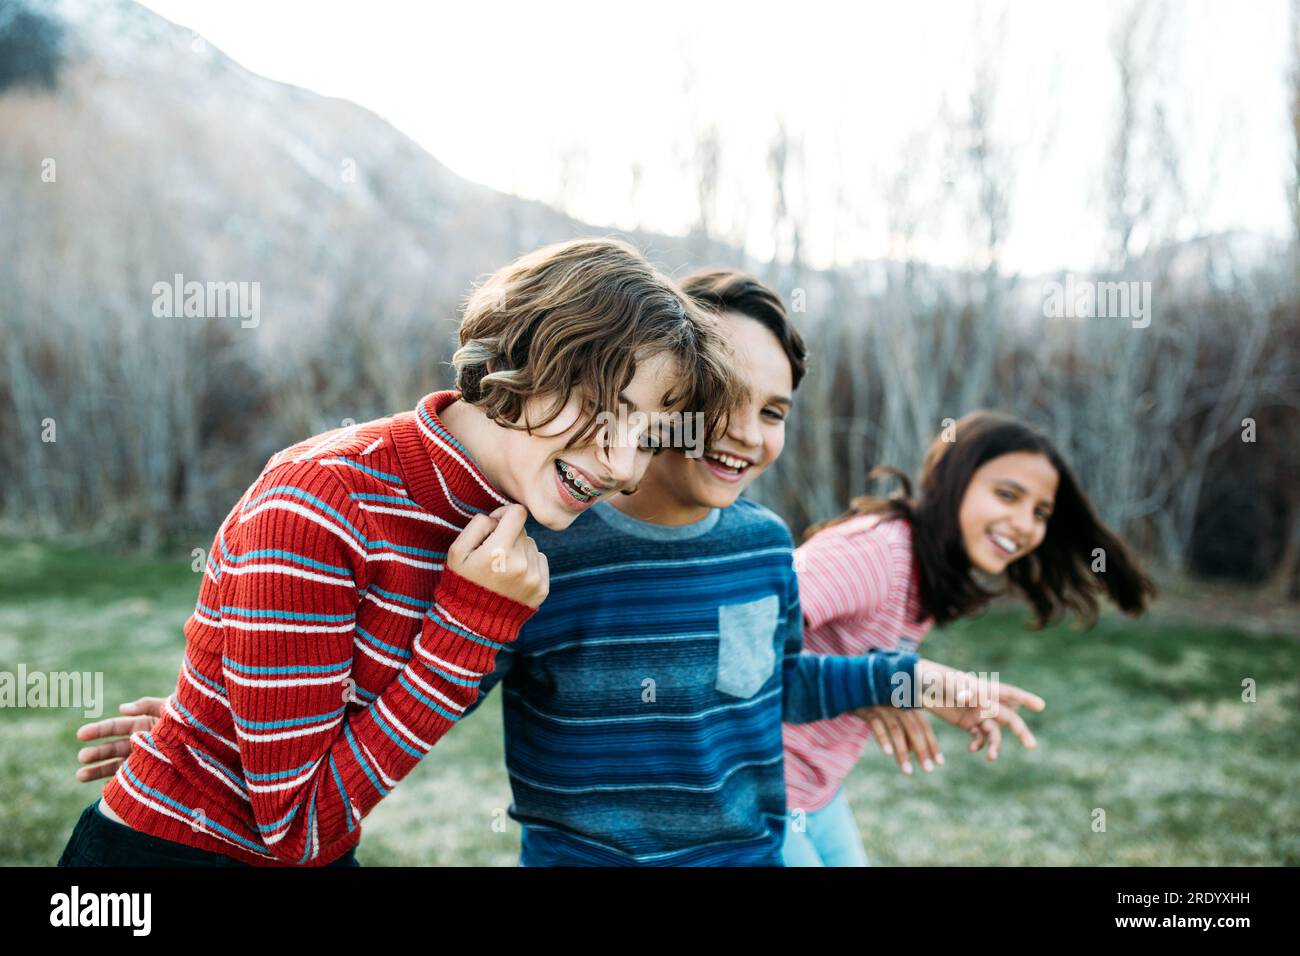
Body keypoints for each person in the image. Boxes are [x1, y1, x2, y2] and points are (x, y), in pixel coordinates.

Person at [58, 237, 740, 866]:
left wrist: (231, 718)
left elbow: (365, 728)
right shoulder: (321, 502)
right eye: (607, 412)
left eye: (648, 435)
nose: (625, 465)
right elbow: (296, 829)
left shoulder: (514, 521)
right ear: (522, 360)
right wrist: (468, 628)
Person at [781, 411, 1156, 866]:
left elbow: (837, 667)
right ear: (954, 480)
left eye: (1039, 513)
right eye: (1006, 495)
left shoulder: (923, 568)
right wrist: (875, 684)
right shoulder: (875, 553)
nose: (1023, 523)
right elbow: (733, 649)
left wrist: (866, 686)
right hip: (751, 791)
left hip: (816, 793)